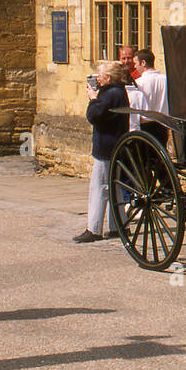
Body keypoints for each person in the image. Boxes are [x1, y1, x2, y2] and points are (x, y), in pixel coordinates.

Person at [74, 61, 129, 243]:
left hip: (107, 146)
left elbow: (94, 116)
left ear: (109, 78)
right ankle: (119, 226)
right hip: (115, 144)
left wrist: (93, 98)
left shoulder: (111, 94)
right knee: (114, 186)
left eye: (100, 75)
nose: (97, 78)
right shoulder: (118, 92)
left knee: (99, 187)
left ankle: (94, 229)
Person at [134, 48, 170, 148]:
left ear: (143, 63)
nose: (135, 66)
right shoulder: (166, 80)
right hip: (163, 124)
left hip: (146, 126)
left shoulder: (139, 83)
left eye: (136, 63)